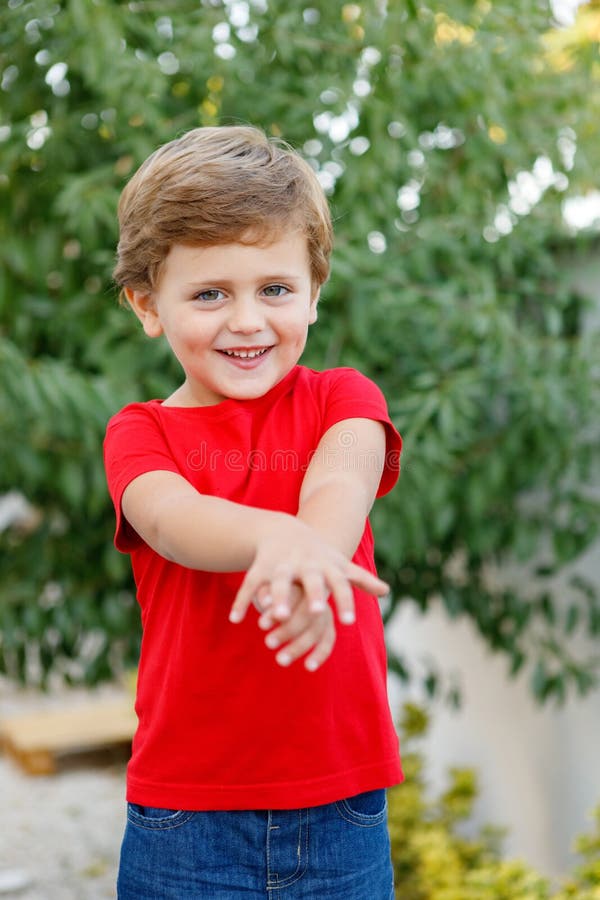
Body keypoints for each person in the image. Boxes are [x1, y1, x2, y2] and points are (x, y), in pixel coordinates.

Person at [103, 124, 403, 899]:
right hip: (185, 821)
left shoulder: (344, 398)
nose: (246, 321)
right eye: (210, 294)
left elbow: (342, 482)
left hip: (343, 811)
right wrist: (277, 539)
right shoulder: (140, 432)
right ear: (148, 305)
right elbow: (172, 520)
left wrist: (310, 560)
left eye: (275, 289)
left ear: (314, 292)